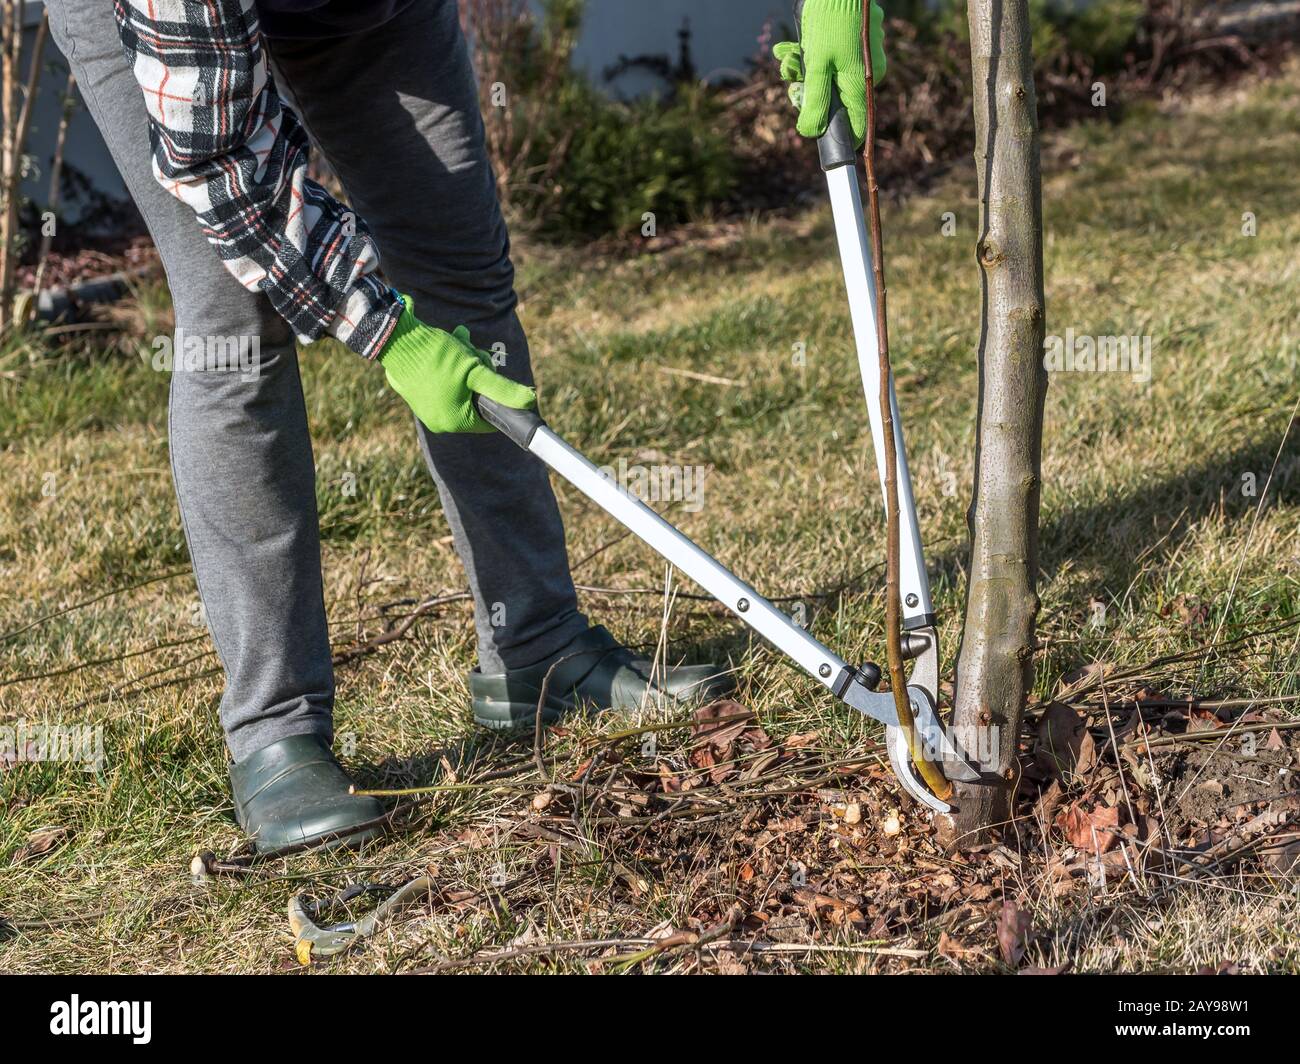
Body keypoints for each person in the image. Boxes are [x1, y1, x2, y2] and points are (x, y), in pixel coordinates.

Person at [42, 0, 880, 854]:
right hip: (166, 41)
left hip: (377, 18)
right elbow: (218, 153)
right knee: (236, 325)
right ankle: (276, 733)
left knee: (461, 269)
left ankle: (539, 649)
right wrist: (388, 329)